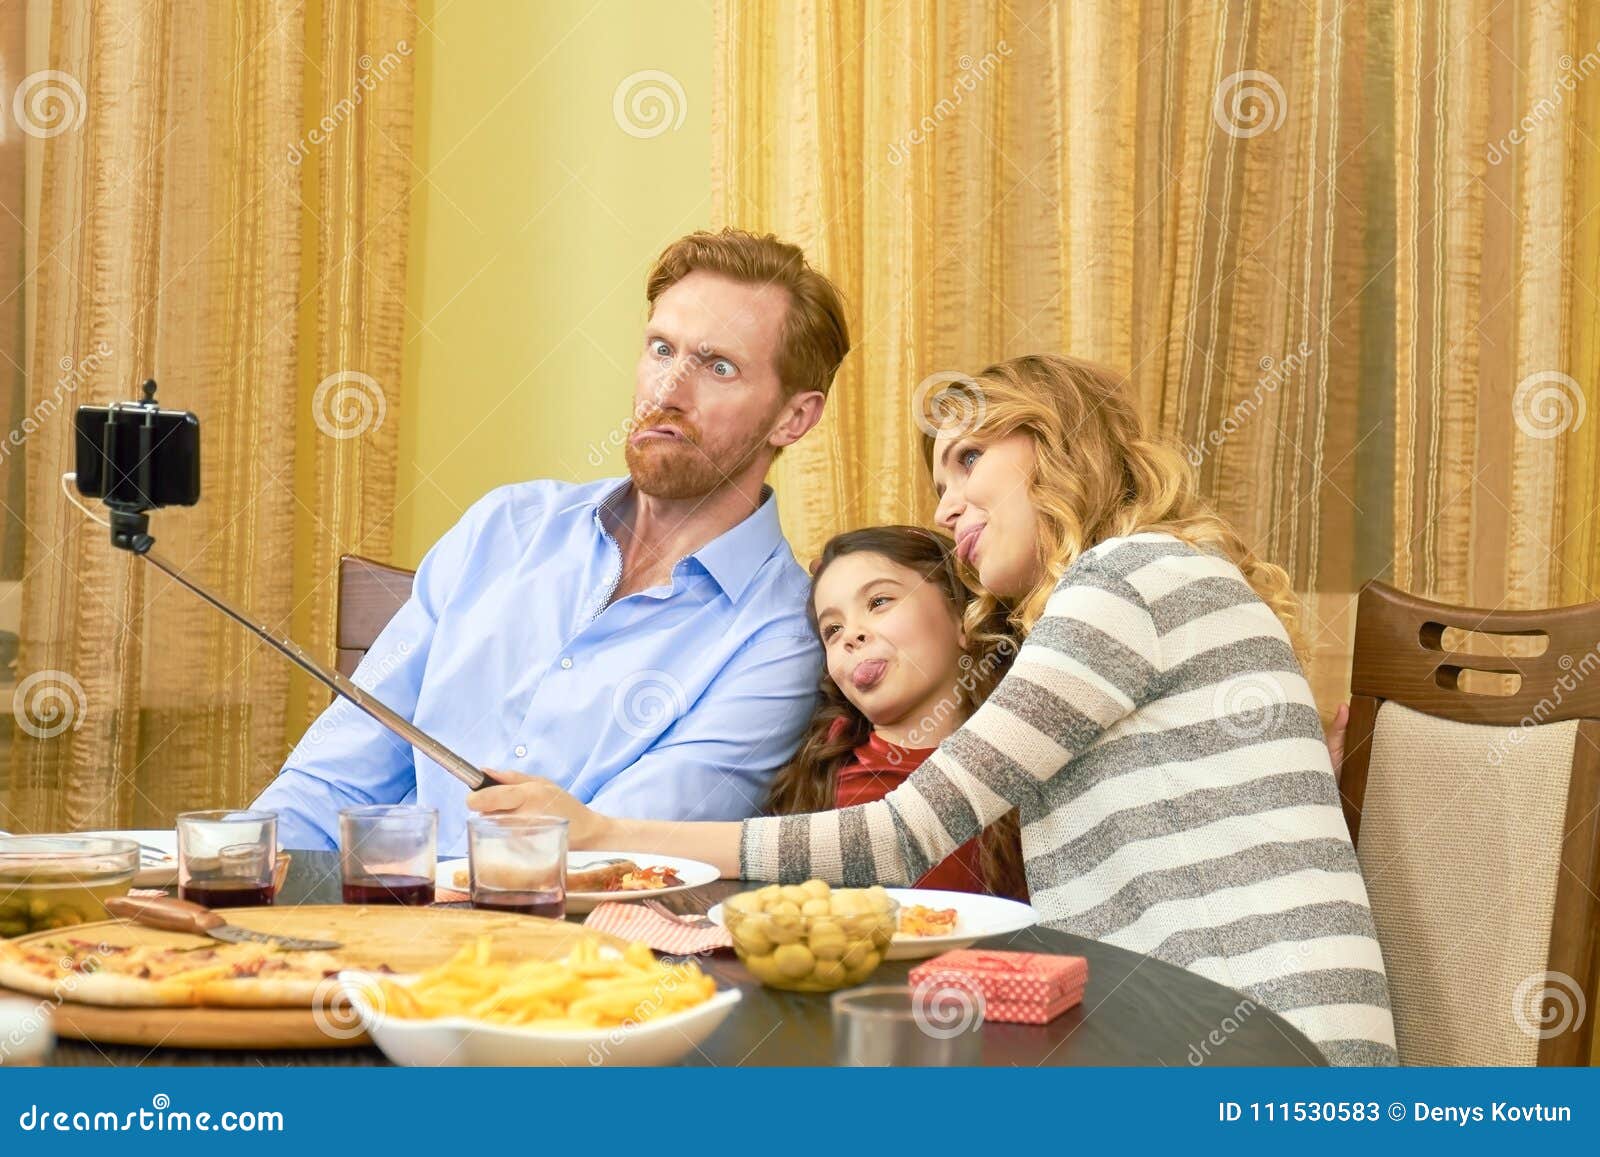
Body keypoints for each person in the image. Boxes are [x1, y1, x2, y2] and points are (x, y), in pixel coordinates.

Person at [471, 353, 1399, 1066]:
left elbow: (896, 837)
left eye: (967, 460)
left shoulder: (1129, 578)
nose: (949, 506)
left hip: (1263, 1047)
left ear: (1058, 444)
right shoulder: (1155, 582)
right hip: (1213, 1036)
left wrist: (600, 829)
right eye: (939, 484)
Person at [253, 228, 850, 853]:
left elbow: (612, 858)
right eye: (661, 349)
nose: (668, 392)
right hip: (378, 926)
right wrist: (230, 872)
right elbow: (335, 774)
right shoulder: (505, 526)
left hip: (565, 942)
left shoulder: (781, 635)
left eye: (718, 366)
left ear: (794, 417)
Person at [765, 525, 1026, 898]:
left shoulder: (1025, 756)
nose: (852, 635)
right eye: (833, 630)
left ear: (963, 616)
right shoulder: (819, 778)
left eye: (878, 602)